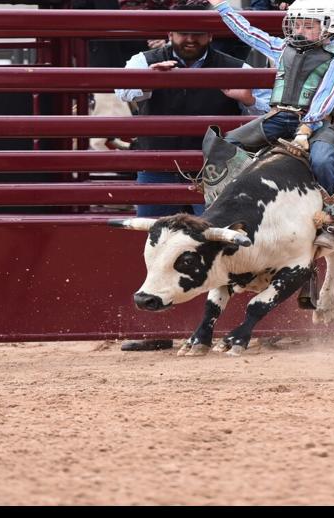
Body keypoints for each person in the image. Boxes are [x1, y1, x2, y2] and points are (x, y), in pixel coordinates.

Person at [116, 0, 266, 351]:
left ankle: (223, 328)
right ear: (170, 33)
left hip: (212, 170)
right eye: (183, 32)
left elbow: (264, 105)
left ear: (210, 35)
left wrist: (246, 98)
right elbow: (123, 90)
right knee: (157, 248)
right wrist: (147, 81)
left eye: (197, 32)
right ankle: (158, 330)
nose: (190, 39)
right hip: (160, 164)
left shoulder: (236, 67)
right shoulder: (144, 62)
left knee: (220, 248)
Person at [209, 0, 334, 248]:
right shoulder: (283, 47)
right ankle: (221, 208)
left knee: (323, 160)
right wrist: (222, 7)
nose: (299, 31)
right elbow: (249, 33)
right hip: (277, 117)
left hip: (316, 124)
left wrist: (306, 129)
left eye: (308, 26)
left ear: (328, 27)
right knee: (227, 144)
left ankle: (330, 219)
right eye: (296, 25)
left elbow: (326, 97)